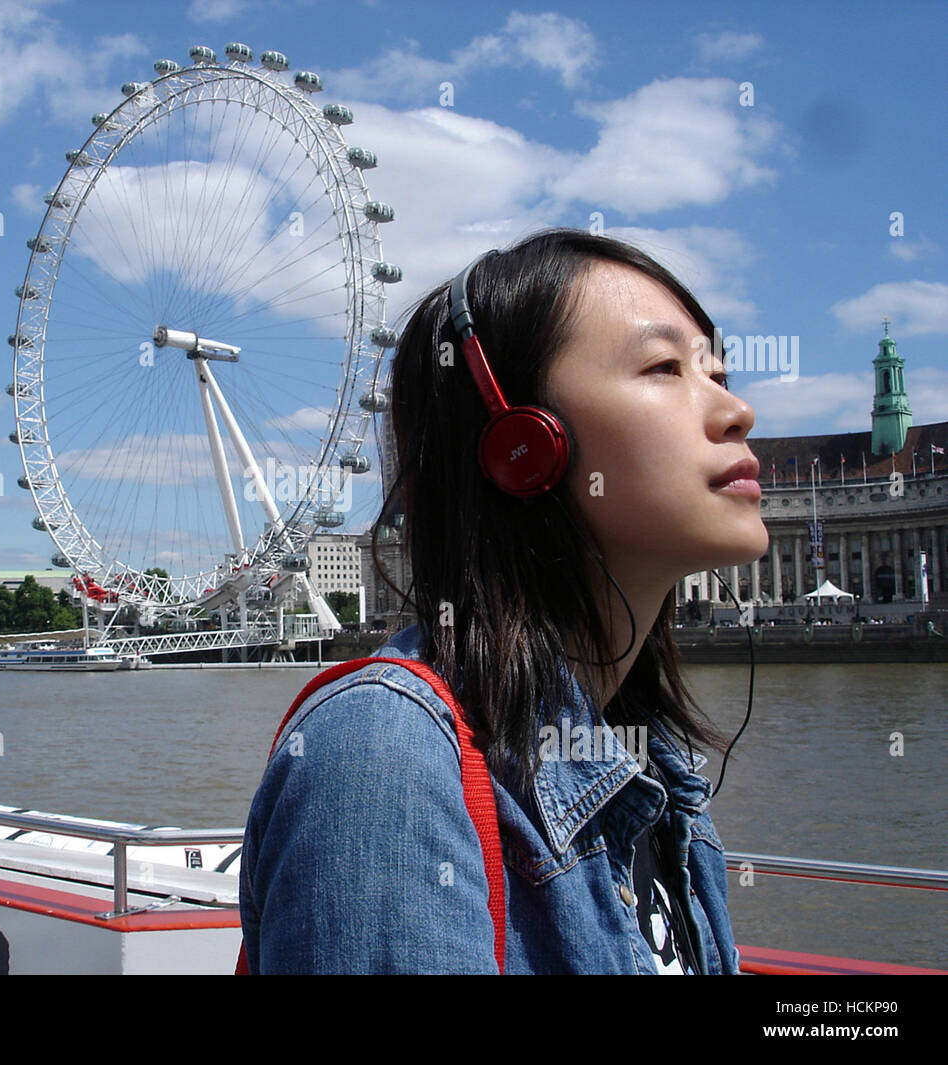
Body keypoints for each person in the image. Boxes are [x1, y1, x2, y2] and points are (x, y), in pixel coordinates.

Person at [239, 229, 768, 974]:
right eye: (664, 367)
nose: (737, 410)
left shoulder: (662, 773)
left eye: (717, 371)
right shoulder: (384, 760)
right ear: (524, 445)